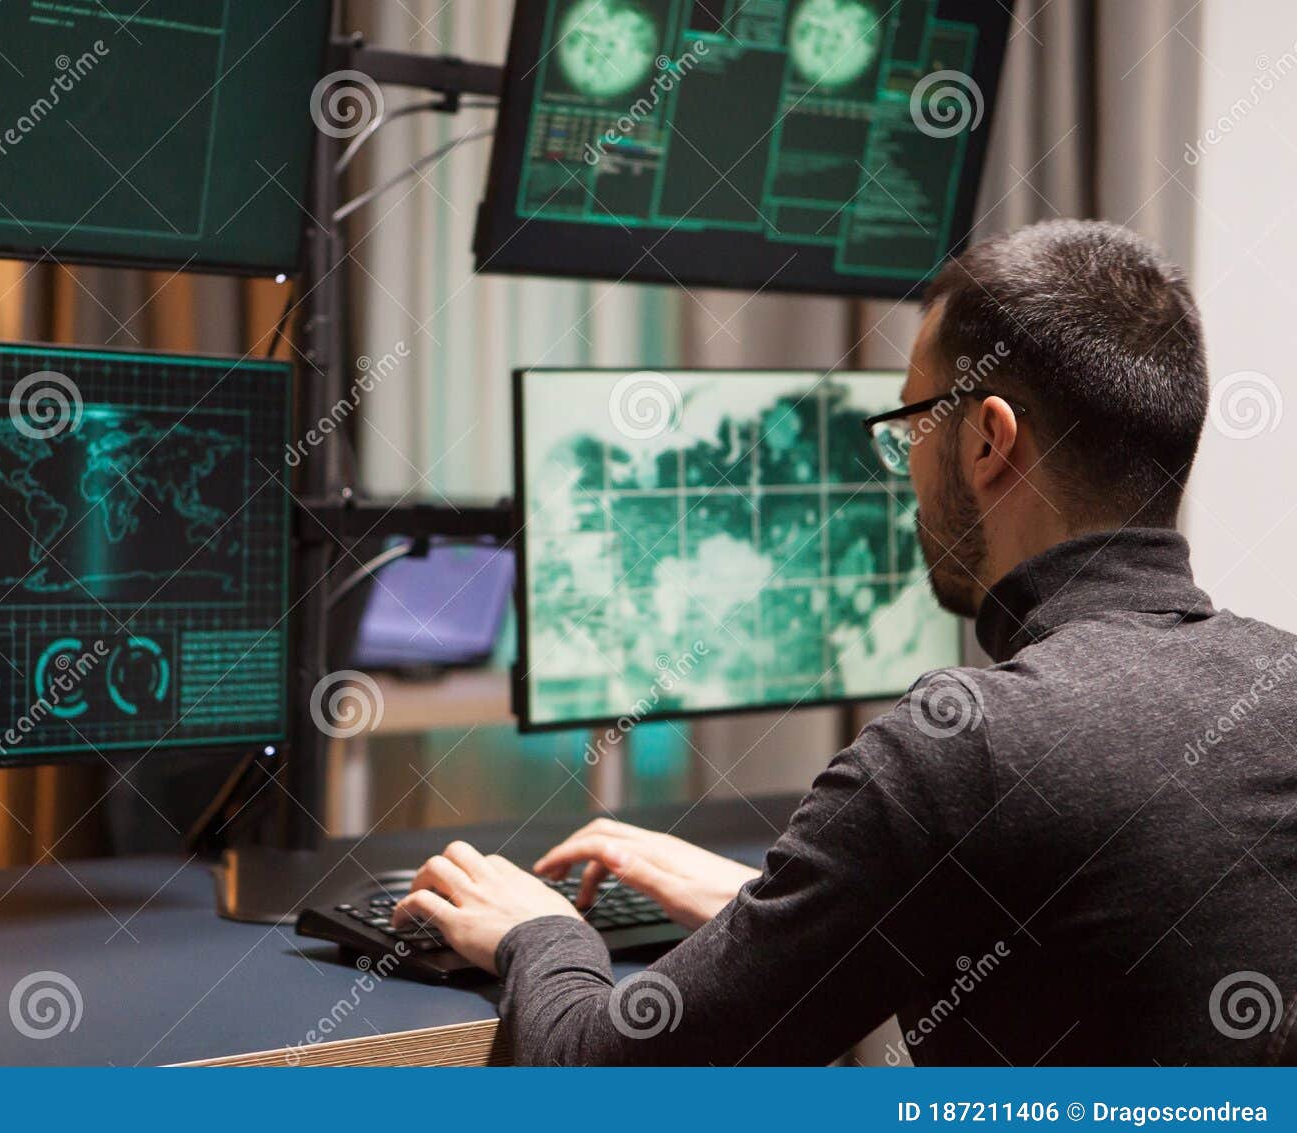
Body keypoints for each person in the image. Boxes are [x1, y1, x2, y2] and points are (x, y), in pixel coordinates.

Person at [392, 219, 1297, 1065]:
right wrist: (812, 921)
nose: (906, 463)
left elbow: (592, 1080)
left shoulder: (965, 747)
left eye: (912, 423)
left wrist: (540, 931)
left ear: (987, 439)